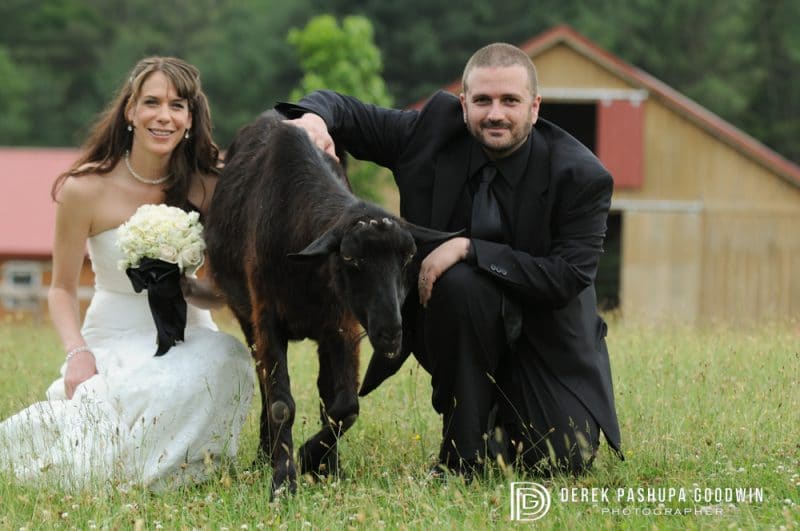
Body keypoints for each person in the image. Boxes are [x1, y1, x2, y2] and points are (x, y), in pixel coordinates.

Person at [277, 43, 622, 478]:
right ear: (463, 104)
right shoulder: (429, 136)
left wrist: (472, 248)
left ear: (534, 107)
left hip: (544, 337)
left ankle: (498, 416)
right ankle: (461, 456)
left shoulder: (582, 177)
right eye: (482, 100)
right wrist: (313, 119)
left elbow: (568, 276)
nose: (495, 113)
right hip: (452, 320)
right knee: (462, 285)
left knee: (559, 460)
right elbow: (343, 108)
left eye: (510, 101)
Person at [0, 57, 254, 490]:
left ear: (190, 119)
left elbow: (223, 288)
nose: (163, 115)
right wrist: (77, 354)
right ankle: (134, 471)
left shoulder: (211, 185)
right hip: (114, 335)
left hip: (189, 333)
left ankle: (160, 469)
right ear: (130, 111)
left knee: (227, 359)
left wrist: (197, 288)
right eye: (151, 102)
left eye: (177, 105)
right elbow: (60, 289)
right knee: (89, 435)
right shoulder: (85, 188)